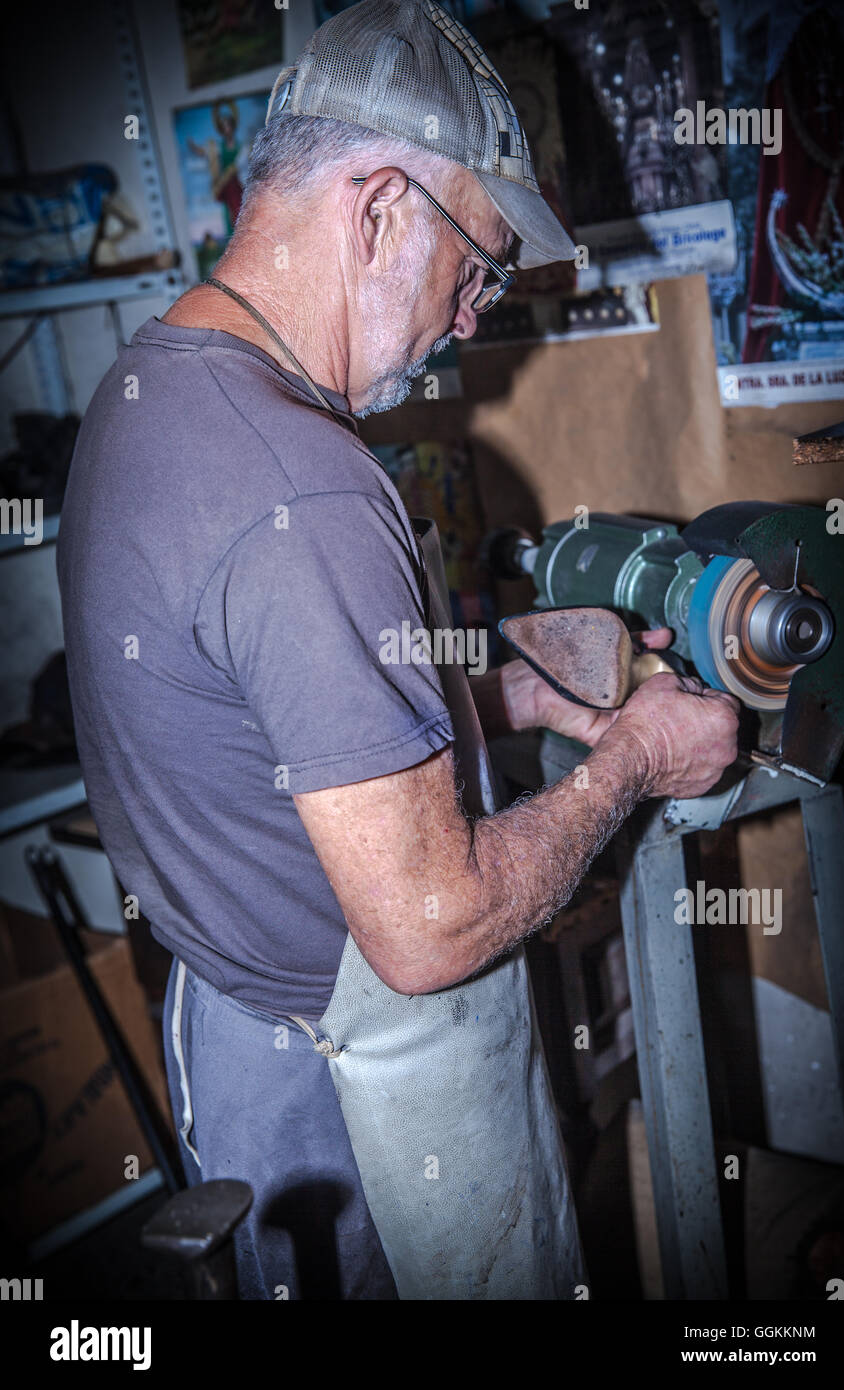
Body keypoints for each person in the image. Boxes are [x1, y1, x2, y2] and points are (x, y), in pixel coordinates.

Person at [57, 0, 738, 1300]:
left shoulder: (149, 389)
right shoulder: (308, 489)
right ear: (375, 211)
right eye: (477, 264)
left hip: (229, 1026)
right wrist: (636, 759)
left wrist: (503, 689)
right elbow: (426, 928)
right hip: (343, 1088)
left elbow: (256, 716)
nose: (474, 314)